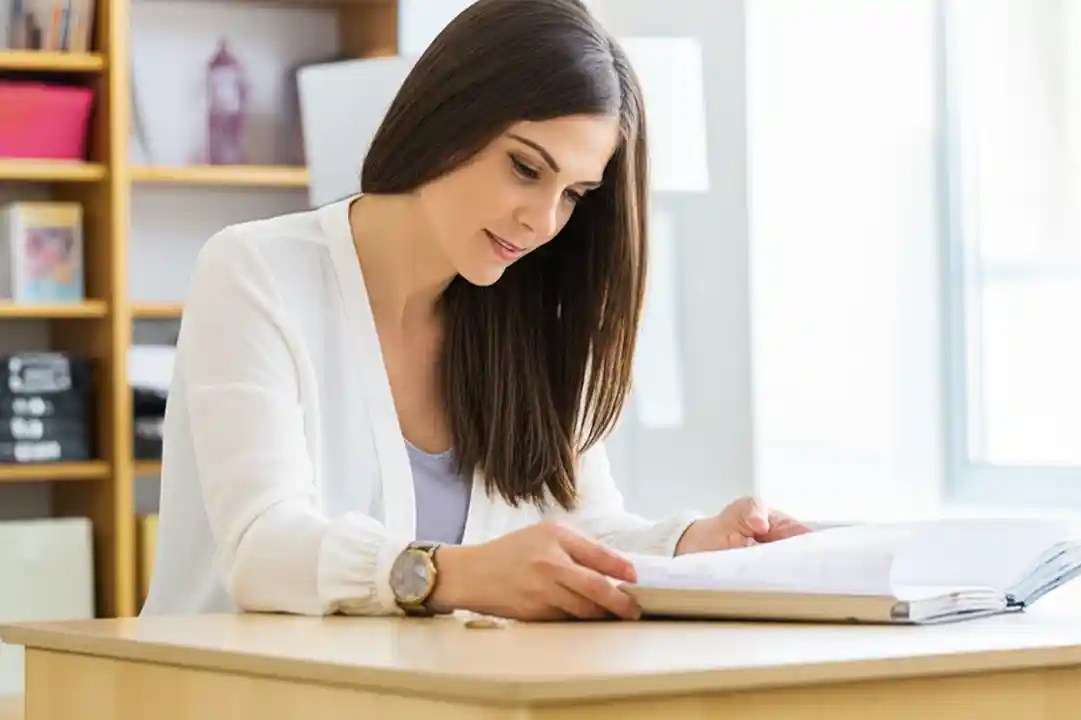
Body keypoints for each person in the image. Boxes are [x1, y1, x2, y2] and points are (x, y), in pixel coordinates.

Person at [142, 0, 810, 622]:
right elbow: (262, 549)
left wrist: (693, 546)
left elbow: (585, 528)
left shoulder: (533, 317)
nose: (543, 221)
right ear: (450, 118)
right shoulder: (255, 272)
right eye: (525, 169)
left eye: (574, 193)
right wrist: (446, 576)